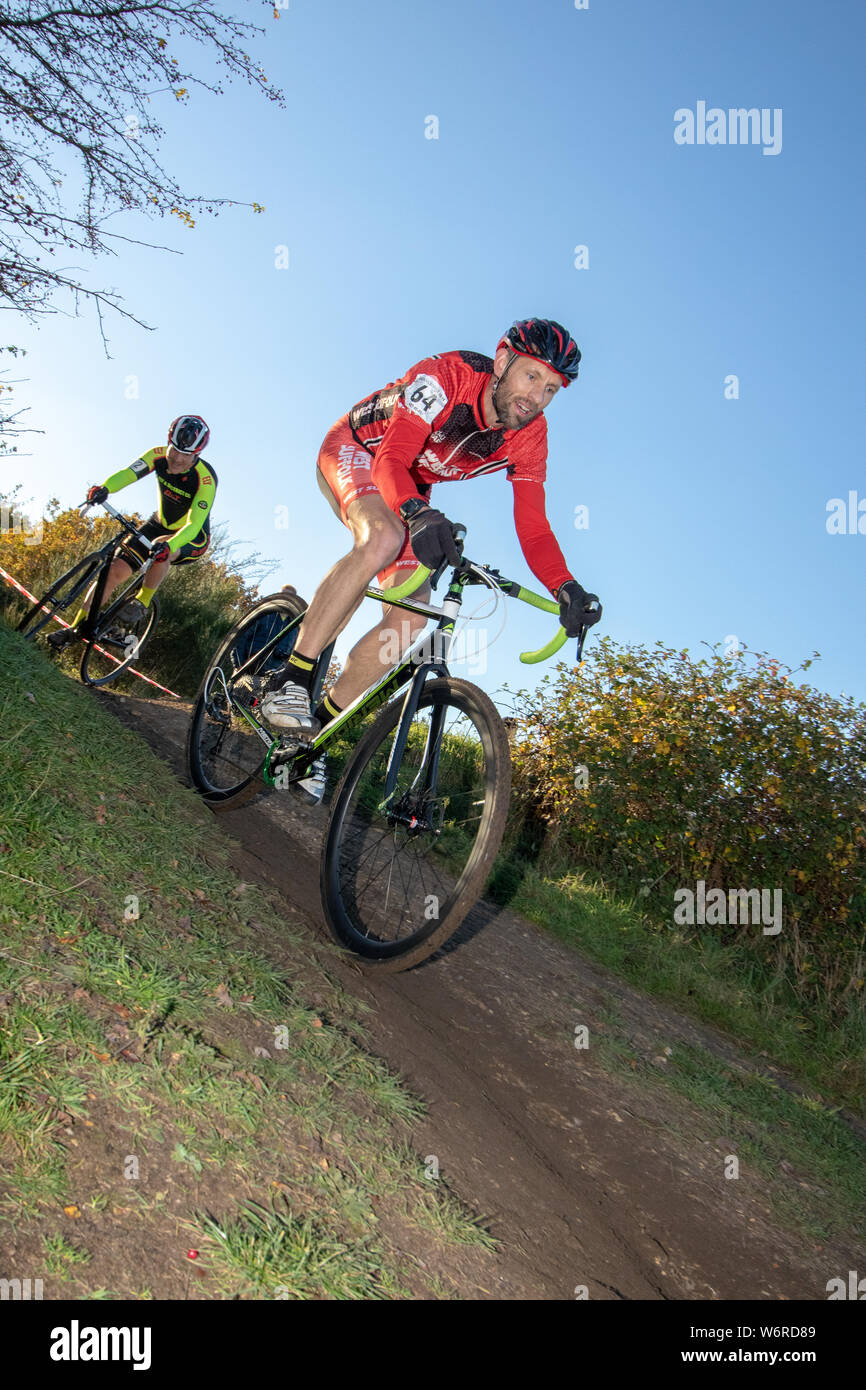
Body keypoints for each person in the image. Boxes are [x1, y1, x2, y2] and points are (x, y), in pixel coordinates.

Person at [260, 319, 602, 799]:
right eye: (531, 377)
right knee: (382, 536)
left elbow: (534, 525)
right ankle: (291, 677)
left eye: (551, 389)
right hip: (363, 450)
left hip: (410, 486)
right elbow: (393, 458)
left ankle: (309, 735)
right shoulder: (447, 375)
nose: (537, 397)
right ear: (503, 361)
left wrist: (566, 587)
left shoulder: (531, 436)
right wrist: (418, 512)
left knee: (410, 618)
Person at [48, 415, 216, 650]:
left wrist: (169, 545)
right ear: (168, 442)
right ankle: (75, 630)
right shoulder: (157, 455)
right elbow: (128, 474)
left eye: (185, 454)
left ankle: (142, 601)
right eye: (174, 450)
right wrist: (104, 488)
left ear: (197, 454)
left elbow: (194, 525)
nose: (177, 458)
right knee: (113, 571)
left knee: (162, 547)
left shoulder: (206, 480)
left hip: (192, 537)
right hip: (158, 523)